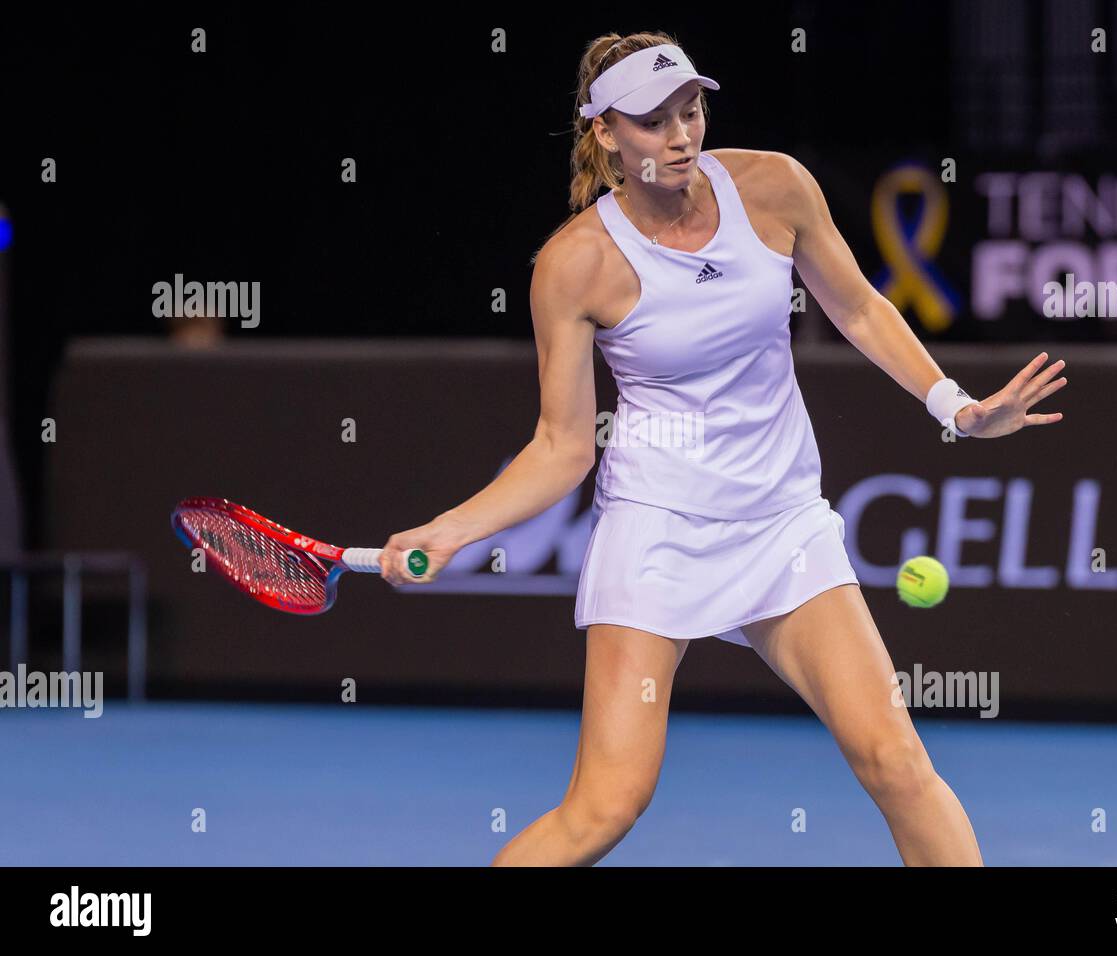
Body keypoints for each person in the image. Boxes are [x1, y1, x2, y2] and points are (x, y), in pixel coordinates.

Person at [378, 32, 1066, 866]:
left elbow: (858, 308)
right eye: (653, 121)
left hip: (782, 525)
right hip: (657, 530)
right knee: (606, 806)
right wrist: (450, 529)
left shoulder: (774, 187)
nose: (680, 136)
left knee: (896, 760)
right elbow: (562, 448)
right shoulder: (574, 264)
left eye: (691, 110)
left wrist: (957, 409)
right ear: (604, 133)